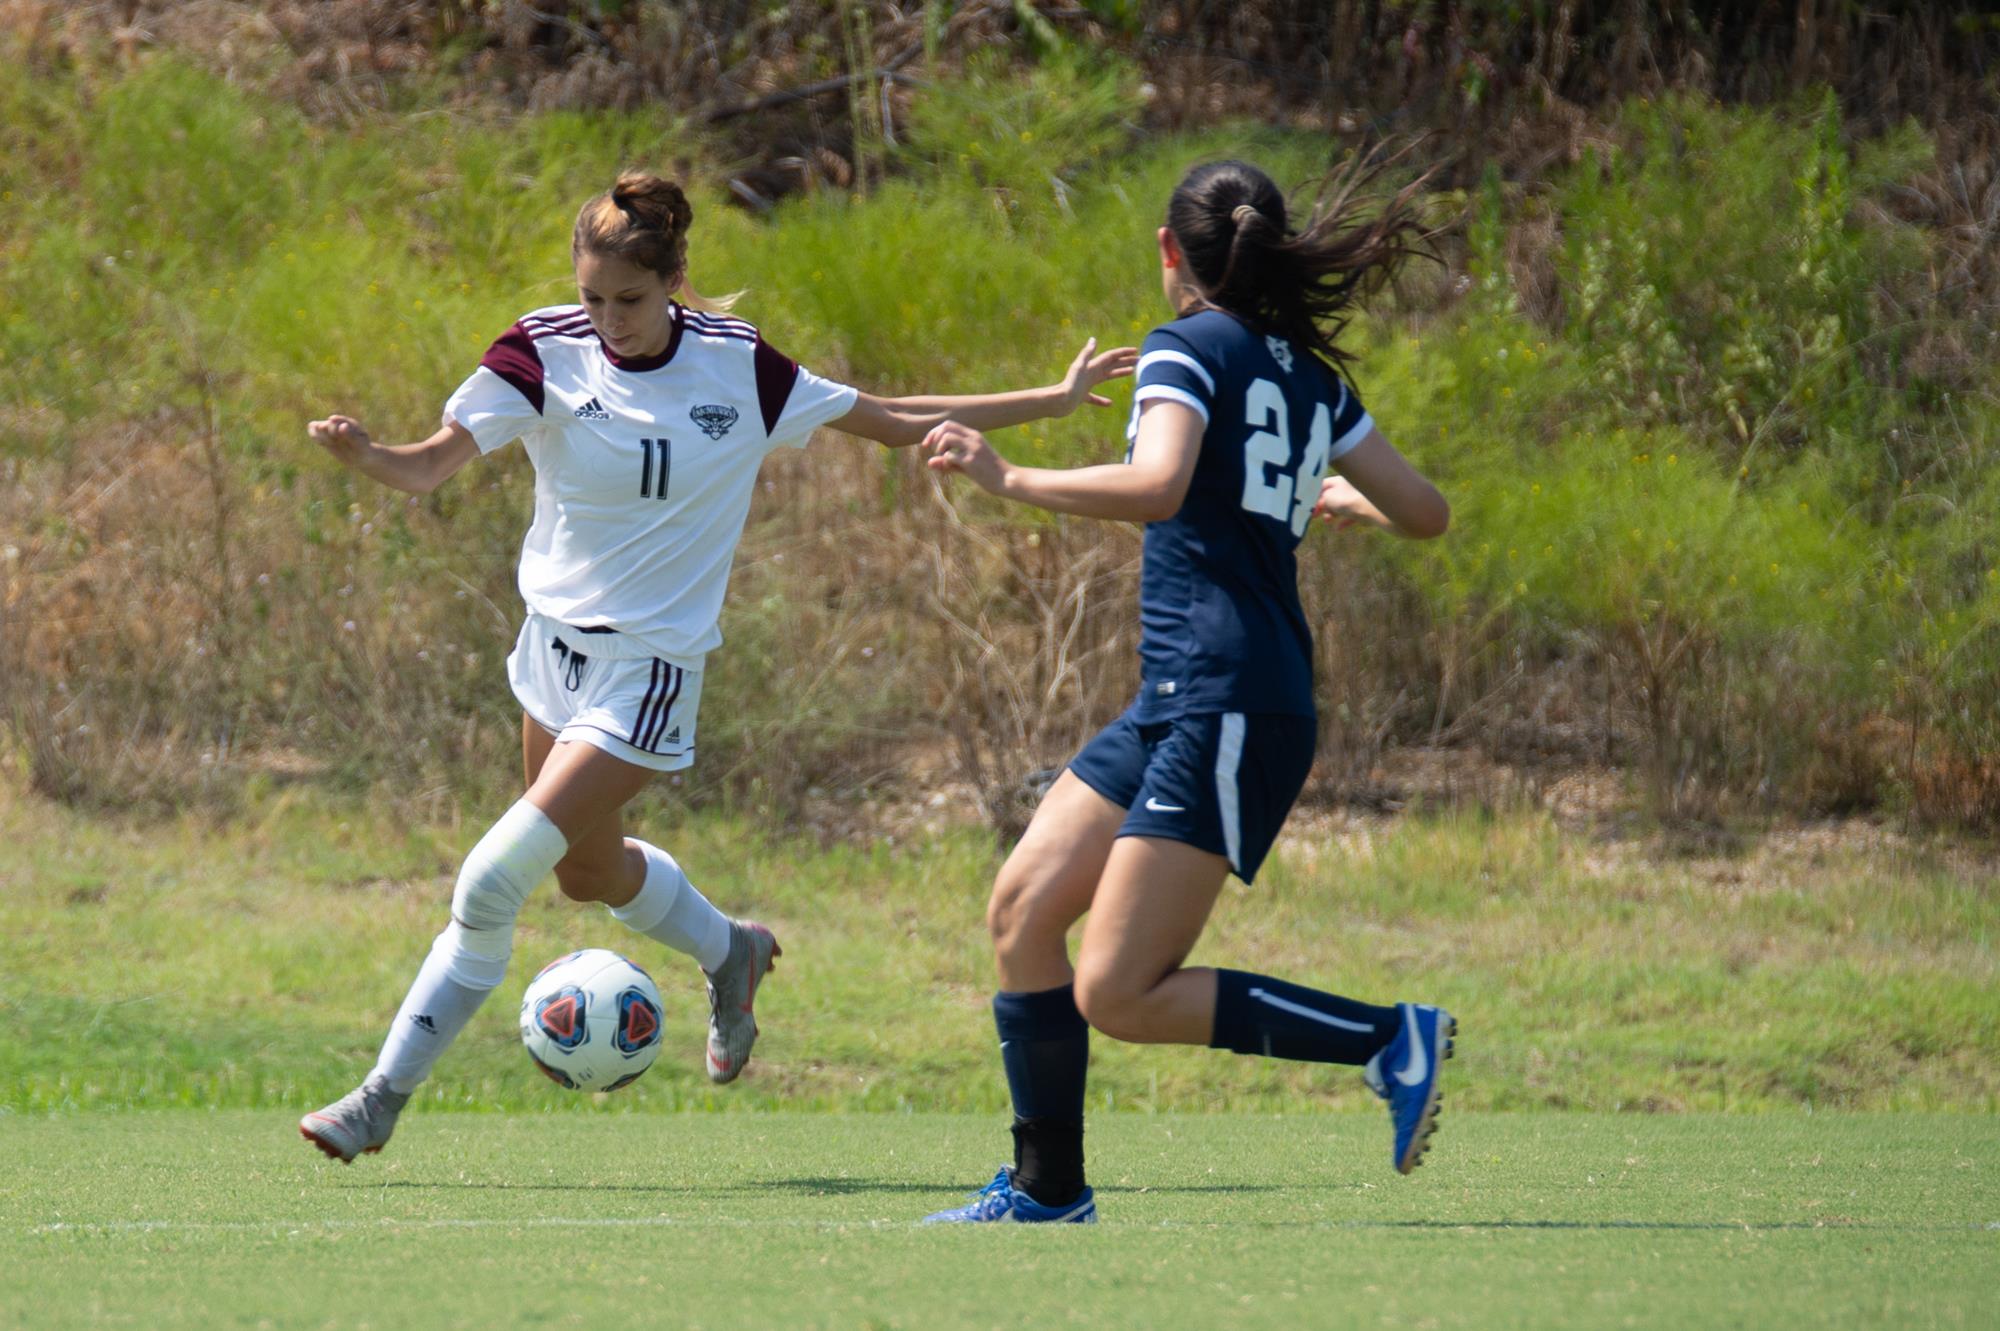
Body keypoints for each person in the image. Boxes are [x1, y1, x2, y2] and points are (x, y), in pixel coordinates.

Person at [298, 170, 1136, 1163]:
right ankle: (731, 951)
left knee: (489, 881)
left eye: (630, 299)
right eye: (592, 297)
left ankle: (377, 1099)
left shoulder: (736, 367)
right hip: (551, 655)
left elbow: (891, 413)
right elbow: (431, 461)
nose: (609, 320)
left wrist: (1051, 399)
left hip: (647, 672)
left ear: (675, 280)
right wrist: (372, 456)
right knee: (587, 874)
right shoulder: (542, 348)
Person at [918, 157, 1453, 1223]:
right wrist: (1343, 495)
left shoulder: (1182, 346)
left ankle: (1387, 1039)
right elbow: (1428, 512)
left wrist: (1008, 476)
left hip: (1228, 697)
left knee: (1116, 989)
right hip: (1184, 695)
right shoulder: (1311, 376)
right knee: (1022, 909)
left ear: (1170, 249)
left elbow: (1159, 483)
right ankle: (1047, 1187)